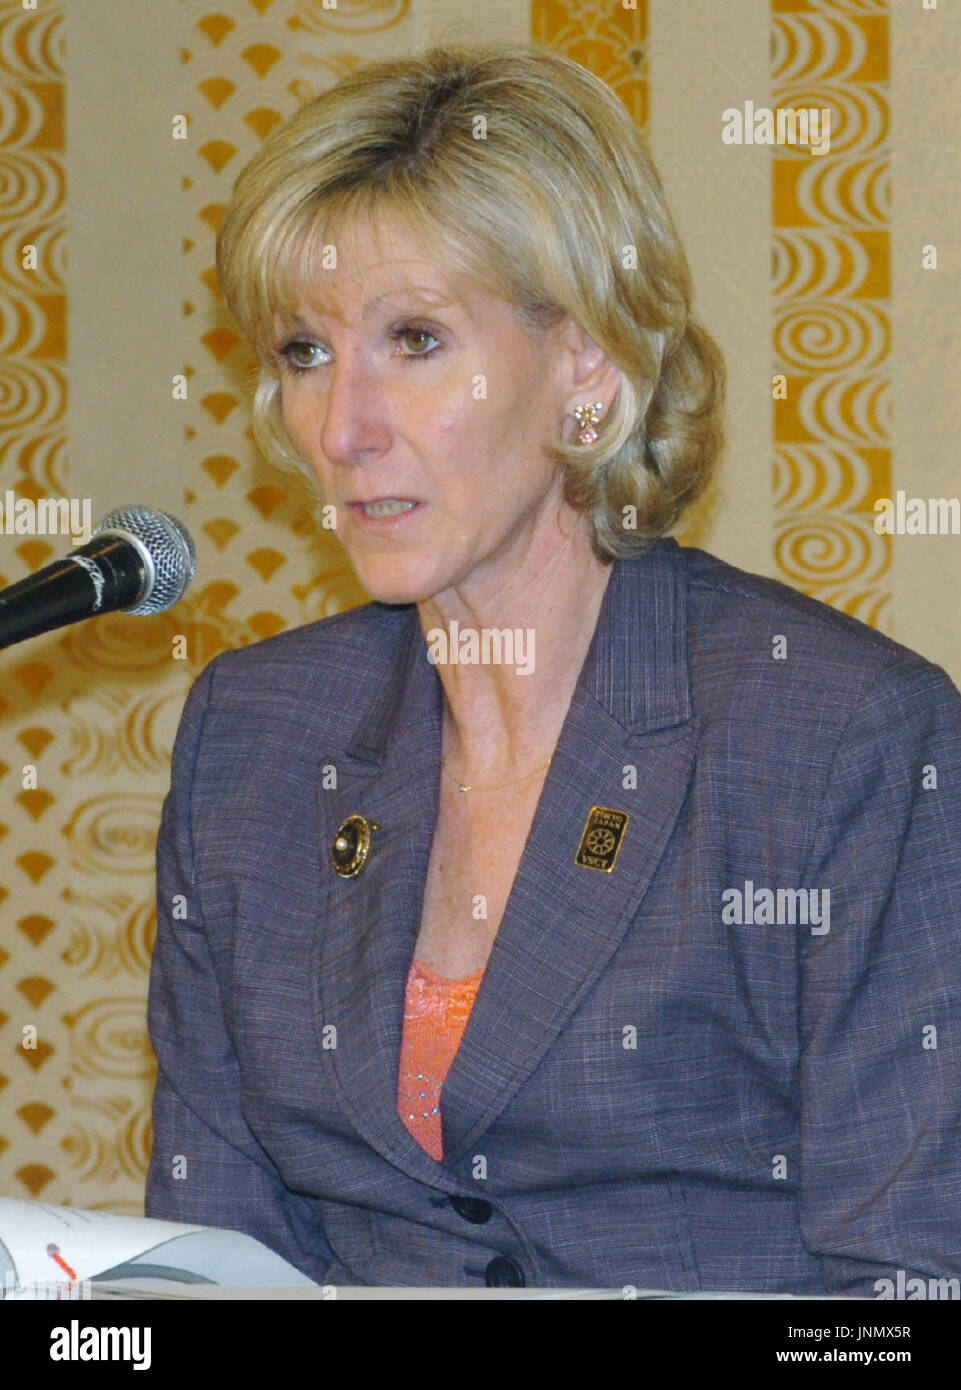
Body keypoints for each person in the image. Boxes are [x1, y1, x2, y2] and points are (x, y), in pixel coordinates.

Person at [145, 43, 961, 1294]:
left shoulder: (838, 734)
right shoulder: (251, 736)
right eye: (304, 351)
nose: (341, 427)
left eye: (413, 338)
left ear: (586, 372)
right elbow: (212, 1259)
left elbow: (905, 1291)